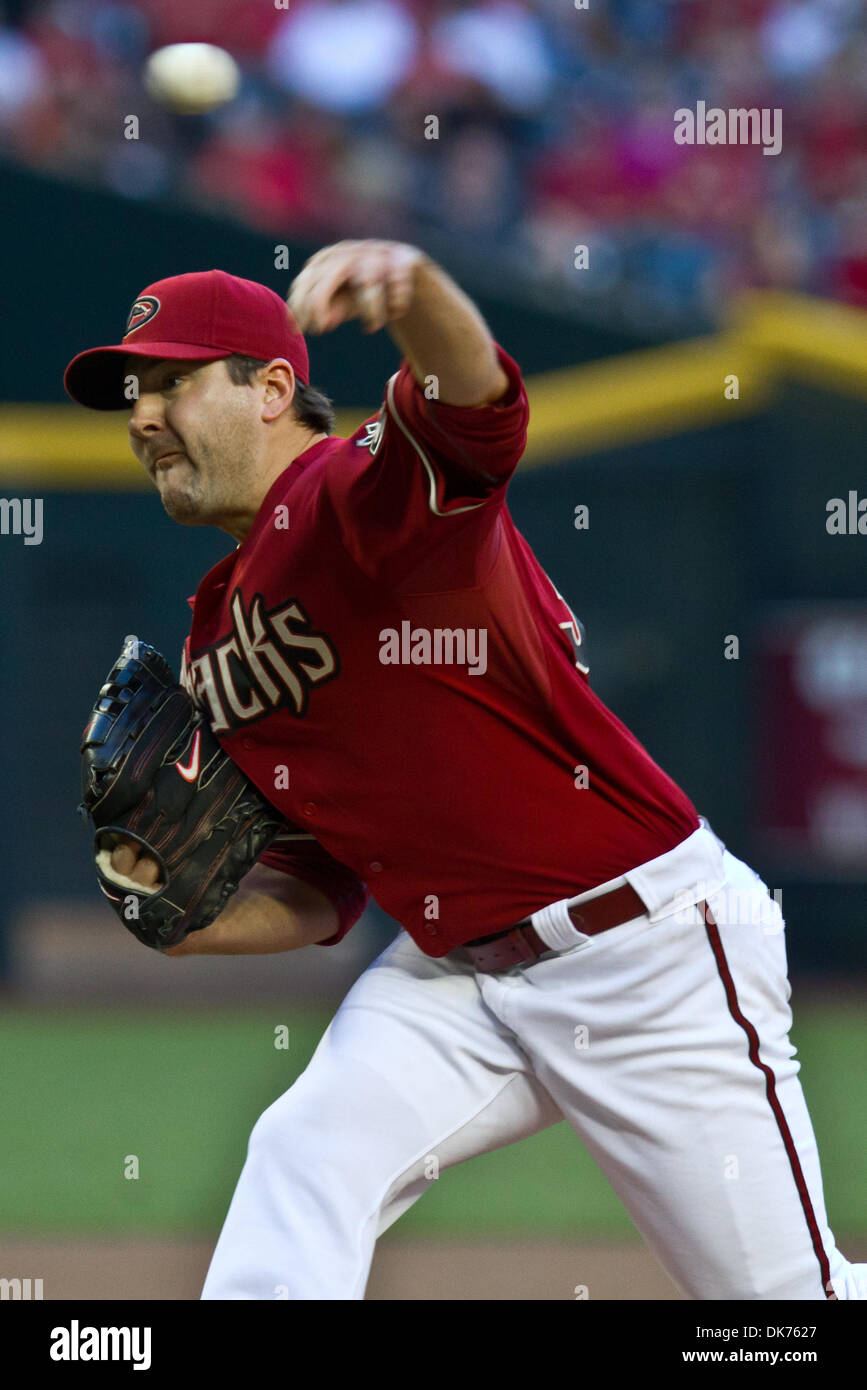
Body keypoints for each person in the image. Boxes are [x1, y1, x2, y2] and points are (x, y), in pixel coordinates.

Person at [64, 241, 865, 1301]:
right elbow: (320, 886)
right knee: (304, 1155)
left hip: (645, 950)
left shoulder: (362, 494)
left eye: (172, 383)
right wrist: (181, 913)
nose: (142, 415)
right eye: (133, 394)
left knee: (785, 1311)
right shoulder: (217, 634)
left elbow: (476, 409)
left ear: (270, 390)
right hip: (455, 975)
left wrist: (415, 288)